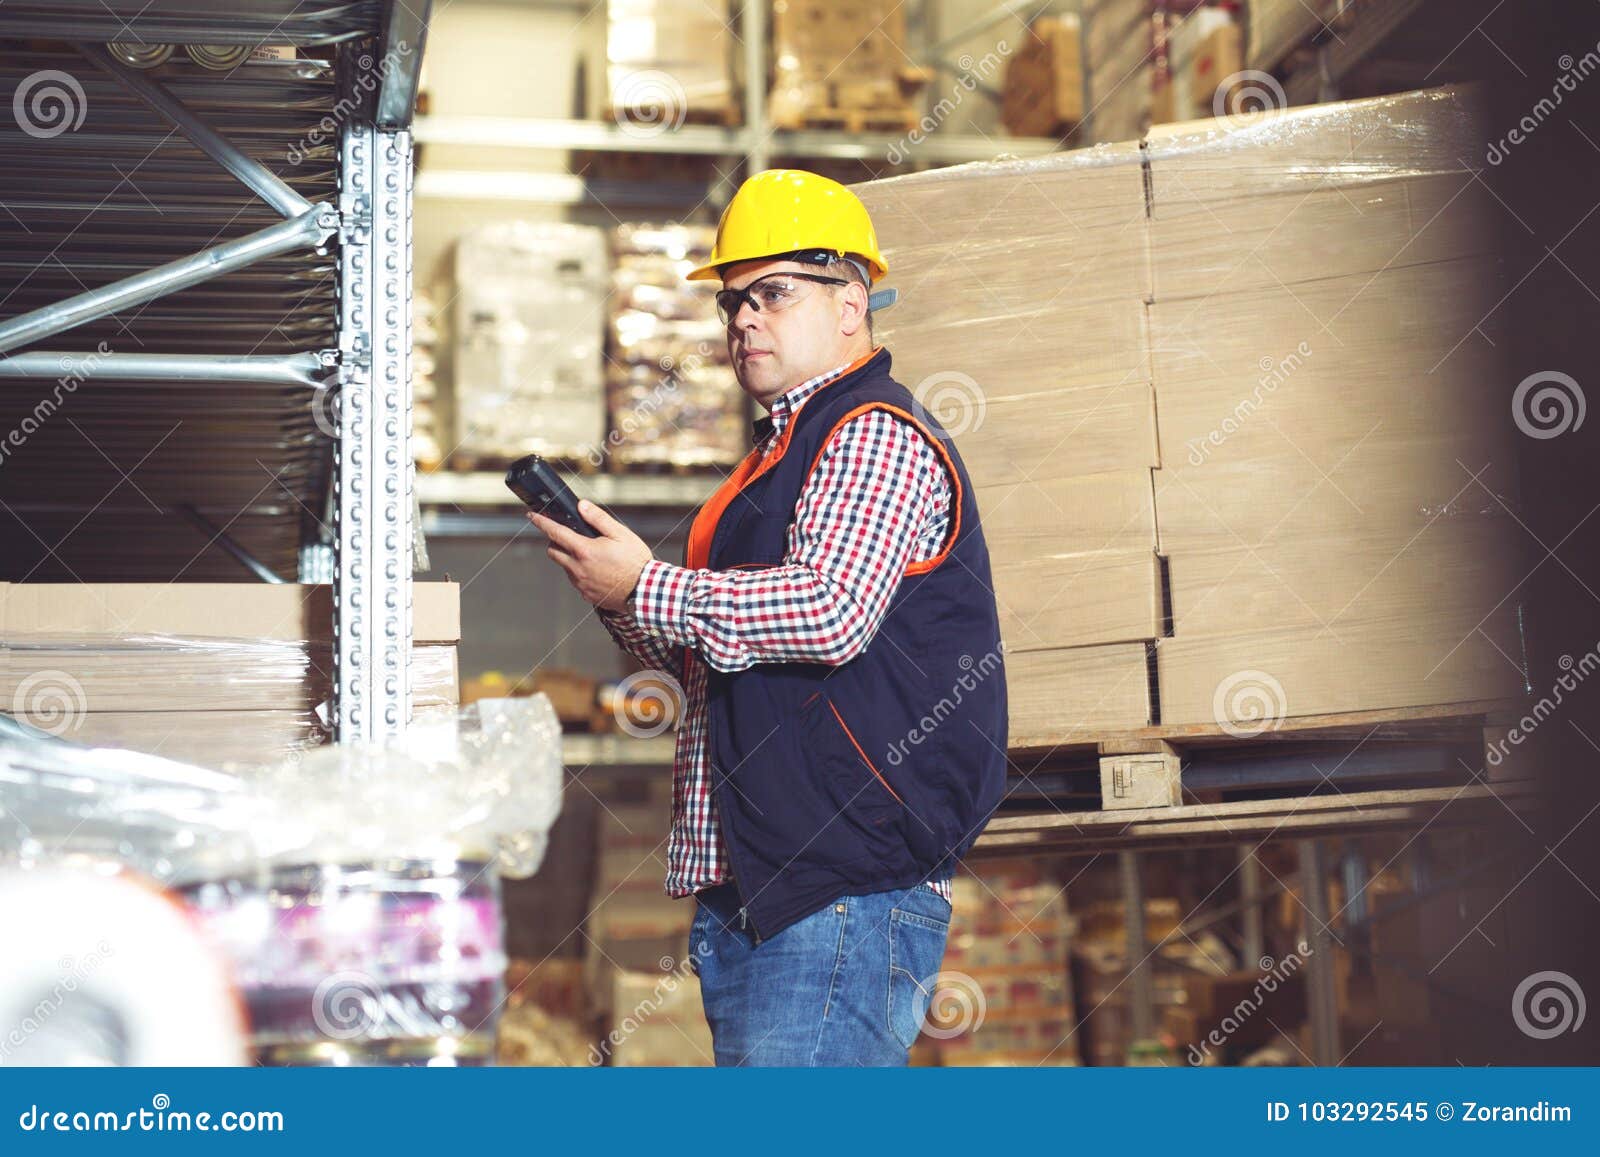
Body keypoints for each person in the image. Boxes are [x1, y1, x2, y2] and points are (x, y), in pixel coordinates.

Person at [528, 169, 1008, 1066]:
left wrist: (650, 583)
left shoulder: (871, 431)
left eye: (774, 292)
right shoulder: (769, 466)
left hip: (840, 887)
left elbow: (829, 611)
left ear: (851, 303)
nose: (744, 318)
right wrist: (620, 591)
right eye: (733, 301)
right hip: (760, 890)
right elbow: (717, 654)